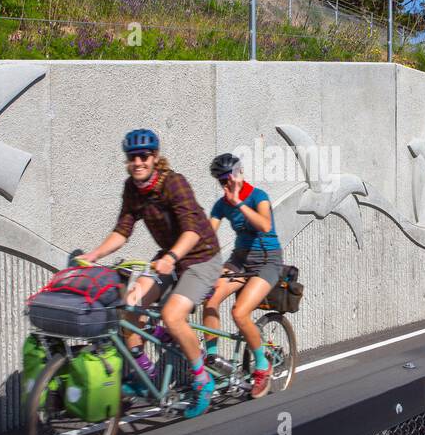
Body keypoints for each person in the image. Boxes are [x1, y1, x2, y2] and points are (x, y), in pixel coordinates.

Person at [81, 129, 223, 418]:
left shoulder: (175, 183)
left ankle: (202, 380)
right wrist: (93, 255)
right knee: (130, 306)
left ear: (155, 158)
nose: (138, 162)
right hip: (168, 256)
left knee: (172, 316)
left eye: (144, 156)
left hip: (200, 256)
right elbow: (123, 231)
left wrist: (171, 257)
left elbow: (193, 230)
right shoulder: (132, 189)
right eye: (133, 157)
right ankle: (145, 374)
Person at [202, 153, 283, 399]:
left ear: (239, 173)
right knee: (210, 300)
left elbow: (265, 225)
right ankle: (214, 363)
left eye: (228, 178)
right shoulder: (220, 204)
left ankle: (262, 365)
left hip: (267, 260)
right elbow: (207, 235)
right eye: (221, 181)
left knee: (239, 312)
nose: (226, 184)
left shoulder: (259, 197)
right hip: (240, 259)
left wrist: (238, 203)